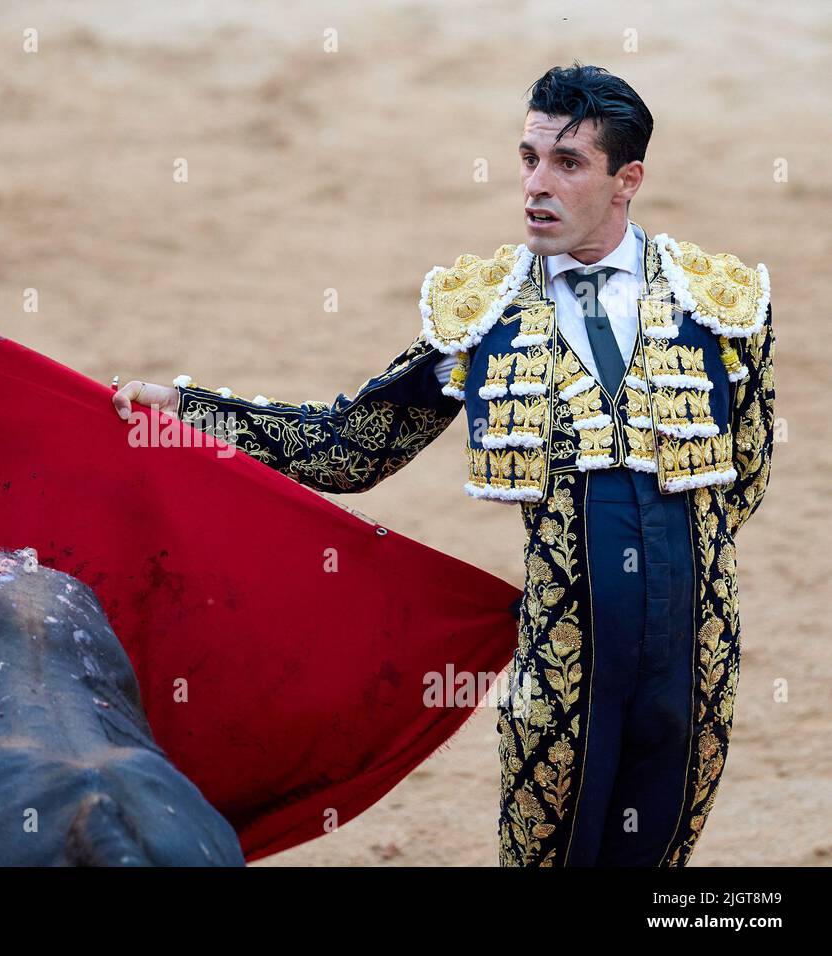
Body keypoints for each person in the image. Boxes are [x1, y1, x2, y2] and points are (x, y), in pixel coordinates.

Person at [111, 62, 776, 866]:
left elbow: (746, 470)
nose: (537, 183)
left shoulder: (724, 302)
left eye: (567, 164)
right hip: (568, 654)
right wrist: (191, 412)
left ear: (626, 179)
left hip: (697, 648)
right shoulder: (482, 310)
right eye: (529, 158)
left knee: (661, 851)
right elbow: (351, 447)